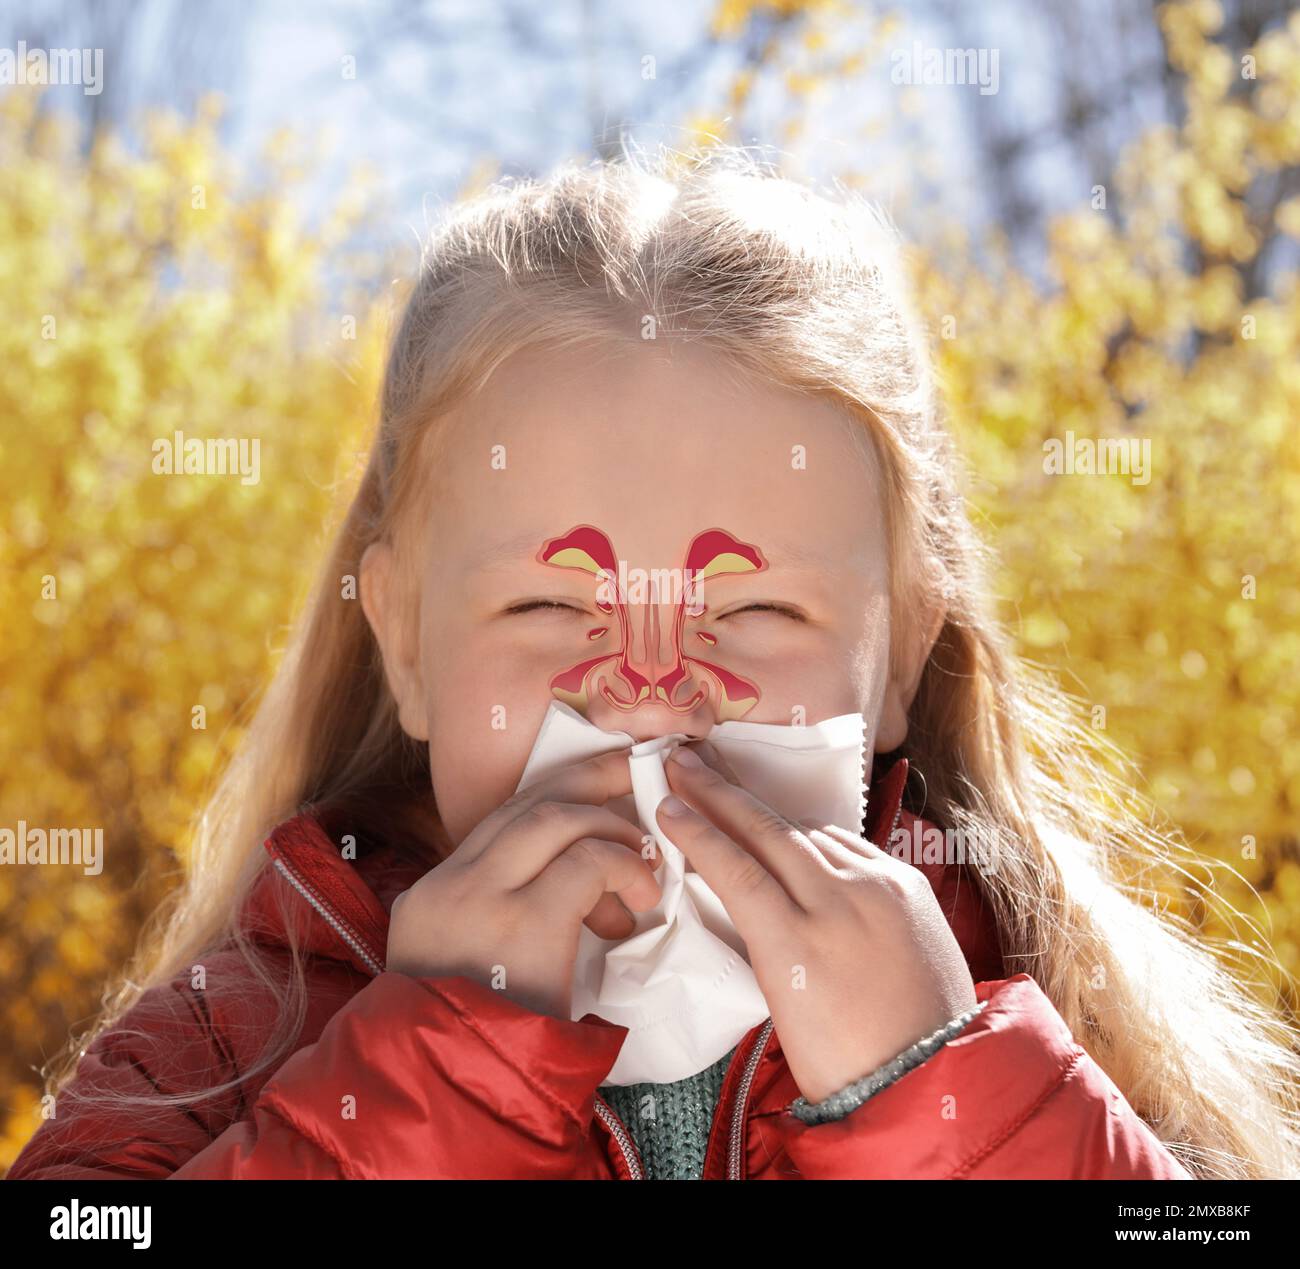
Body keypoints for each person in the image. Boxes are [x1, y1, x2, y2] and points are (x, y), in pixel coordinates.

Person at [10, 150, 1299, 1180]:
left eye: (752, 610)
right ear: (402, 639)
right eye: (545, 603)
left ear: (902, 648)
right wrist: (434, 1080)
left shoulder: (1056, 1020)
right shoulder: (236, 1036)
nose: (648, 684)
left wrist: (943, 1103)